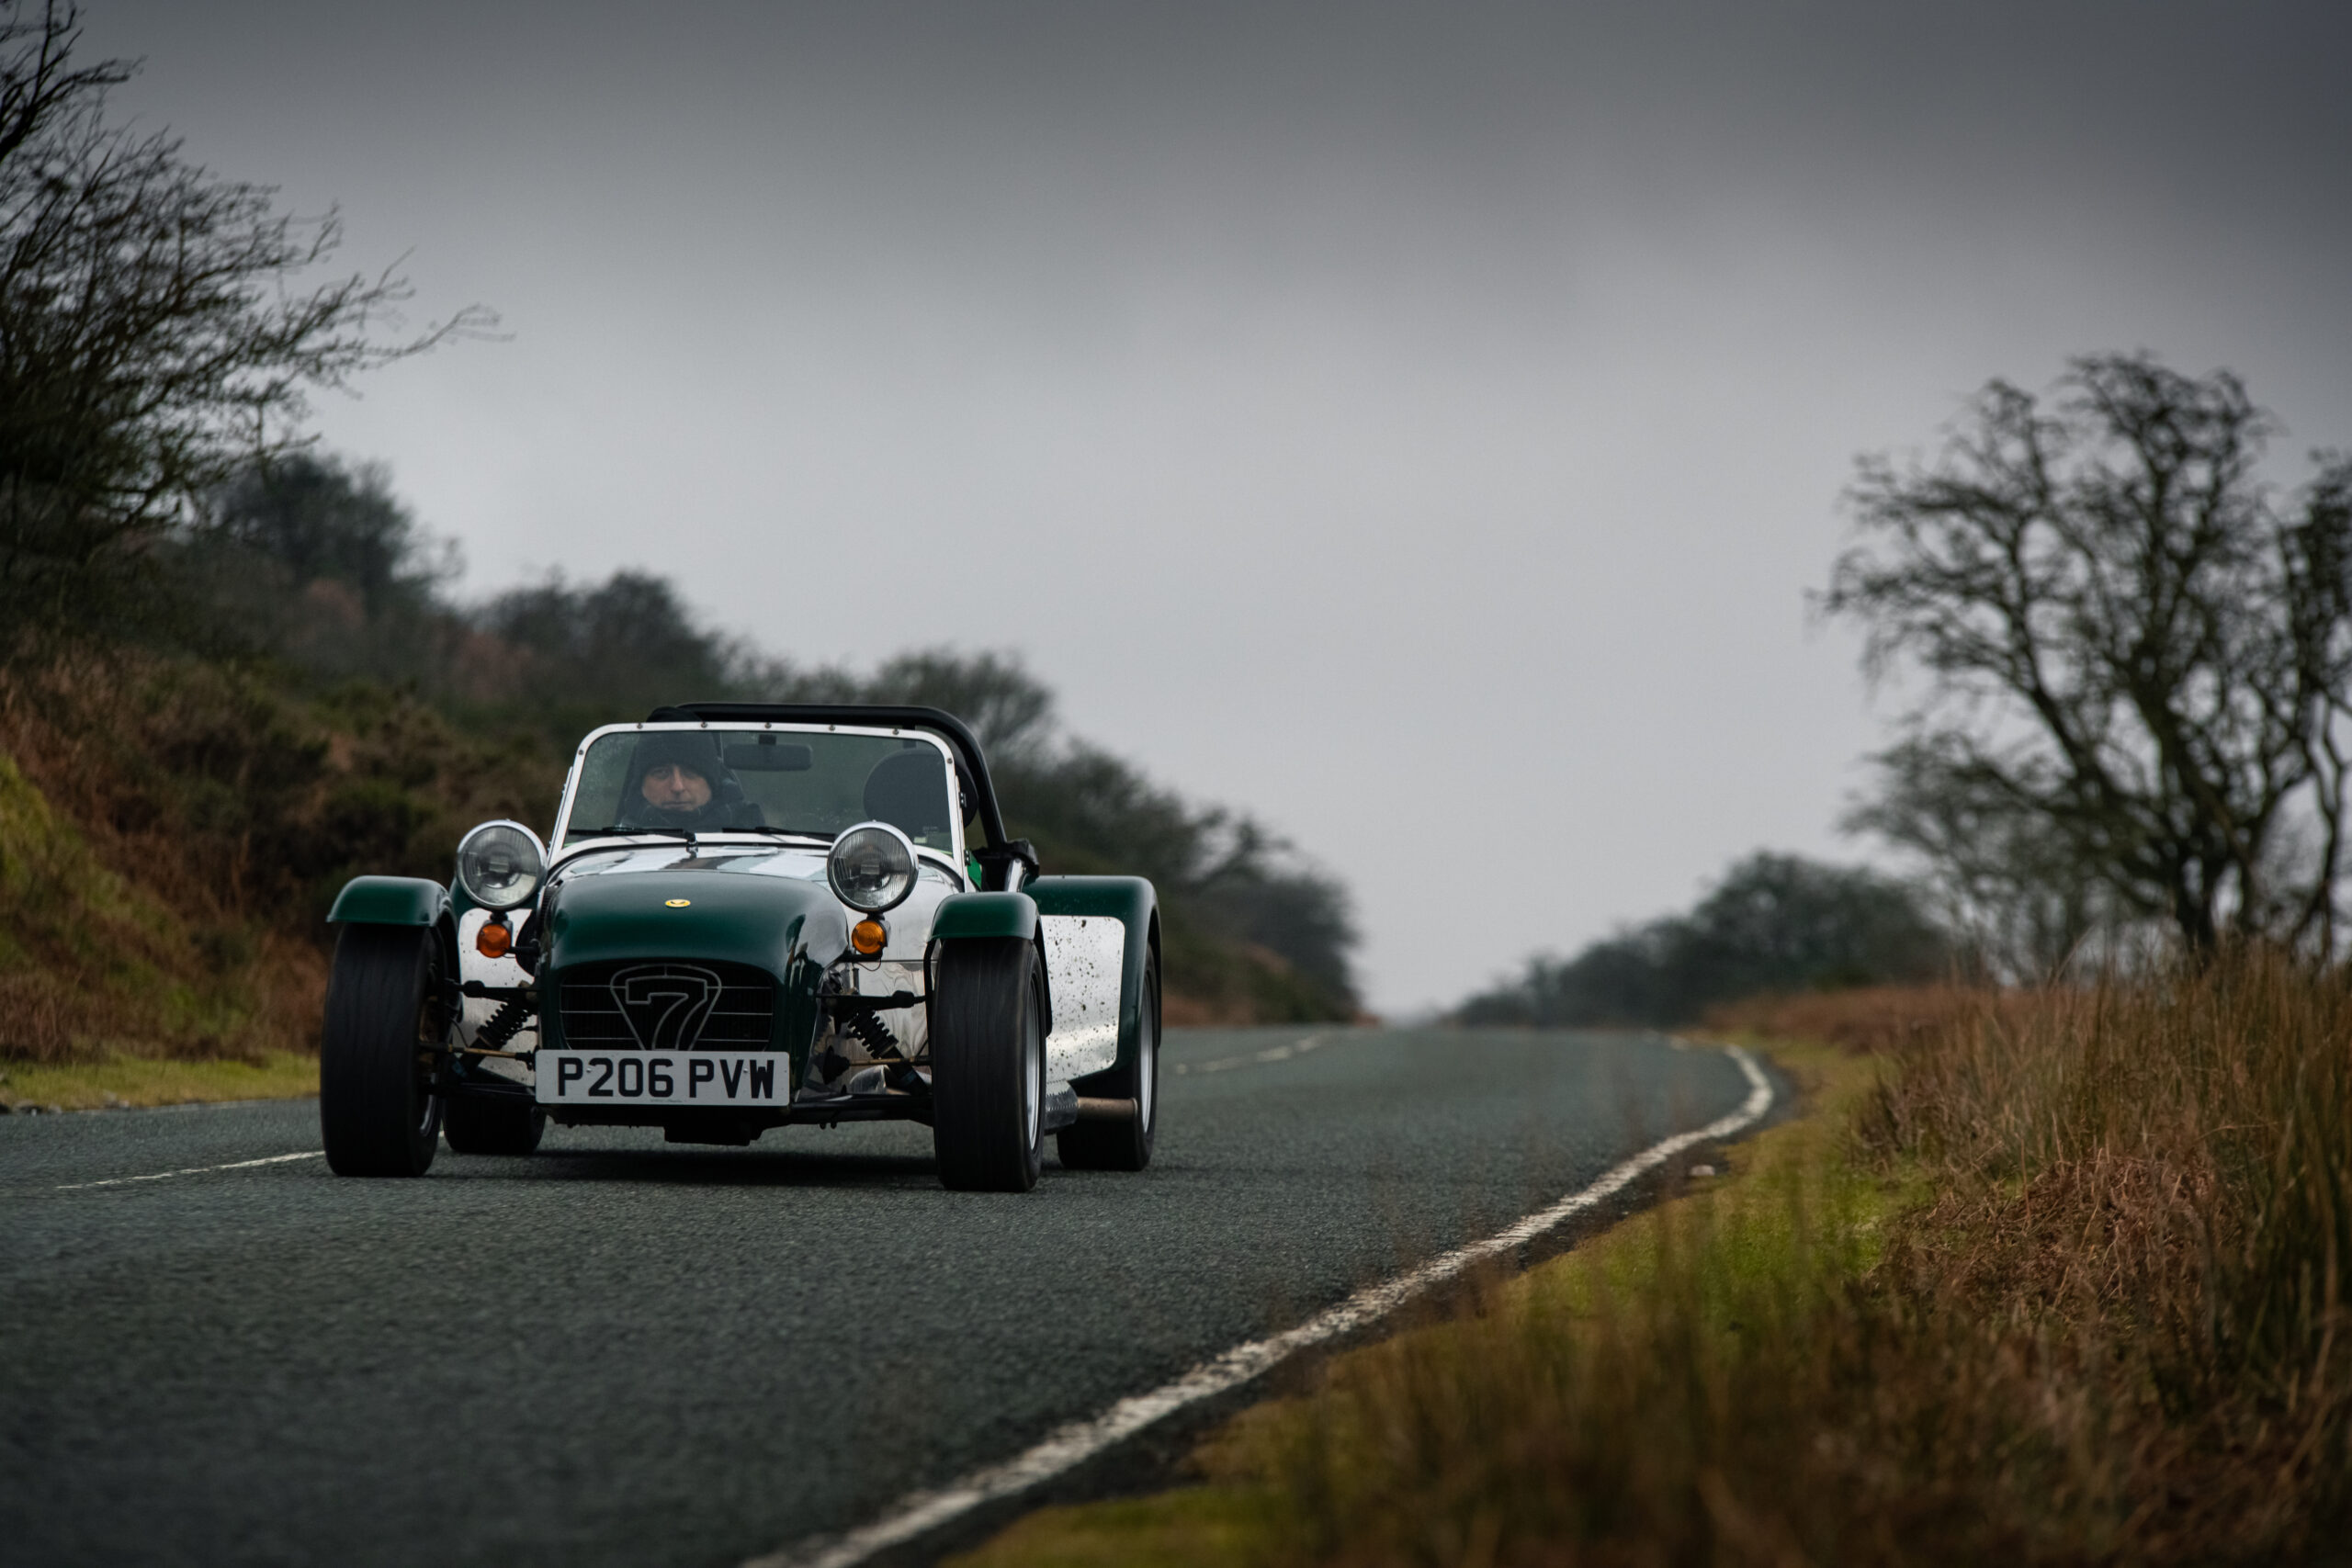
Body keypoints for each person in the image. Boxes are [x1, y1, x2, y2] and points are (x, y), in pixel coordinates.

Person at [615, 731, 761, 830]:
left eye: (691, 772)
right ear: (641, 785)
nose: (677, 787)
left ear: (713, 783)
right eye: (661, 773)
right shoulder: (616, 847)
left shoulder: (757, 842)